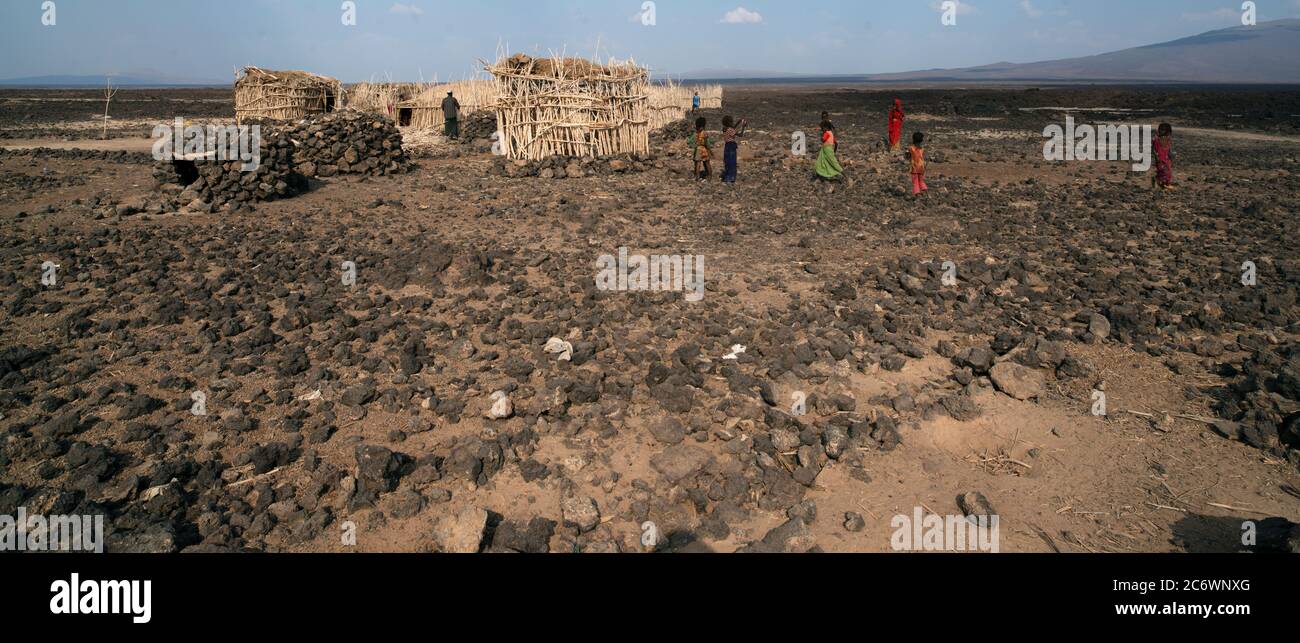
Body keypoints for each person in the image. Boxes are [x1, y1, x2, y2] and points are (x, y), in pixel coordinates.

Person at [720, 115, 748, 183]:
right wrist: (743, 127)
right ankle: (731, 177)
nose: (733, 123)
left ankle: (727, 176)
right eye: (732, 122)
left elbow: (733, 127)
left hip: (727, 146)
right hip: (731, 146)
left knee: (727, 161)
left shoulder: (724, 129)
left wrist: (738, 122)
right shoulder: (731, 130)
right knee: (732, 161)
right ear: (729, 122)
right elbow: (740, 134)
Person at [1152, 123, 1175, 190]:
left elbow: (1169, 149)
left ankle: (1165, 183)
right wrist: (1156, 156)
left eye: (1163, 130)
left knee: (1168, 171)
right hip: (1160, 158)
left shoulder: (1168, 139)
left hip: (1167, 158)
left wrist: (1172, 156)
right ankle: (1160, 182)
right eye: (1160, 129)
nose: (1160, 131)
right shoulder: (1156, 139)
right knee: (1162, 170)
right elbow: (1153, 149)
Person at [908, 131, 928, 195]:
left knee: (915, 181)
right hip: (921, 167)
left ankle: (917, 193)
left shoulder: (911, 148)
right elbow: (924, 157)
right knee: (921, 180)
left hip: (914, 167)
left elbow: (908, 156)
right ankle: (924, 190)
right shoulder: (922, 149)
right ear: (921, 140)